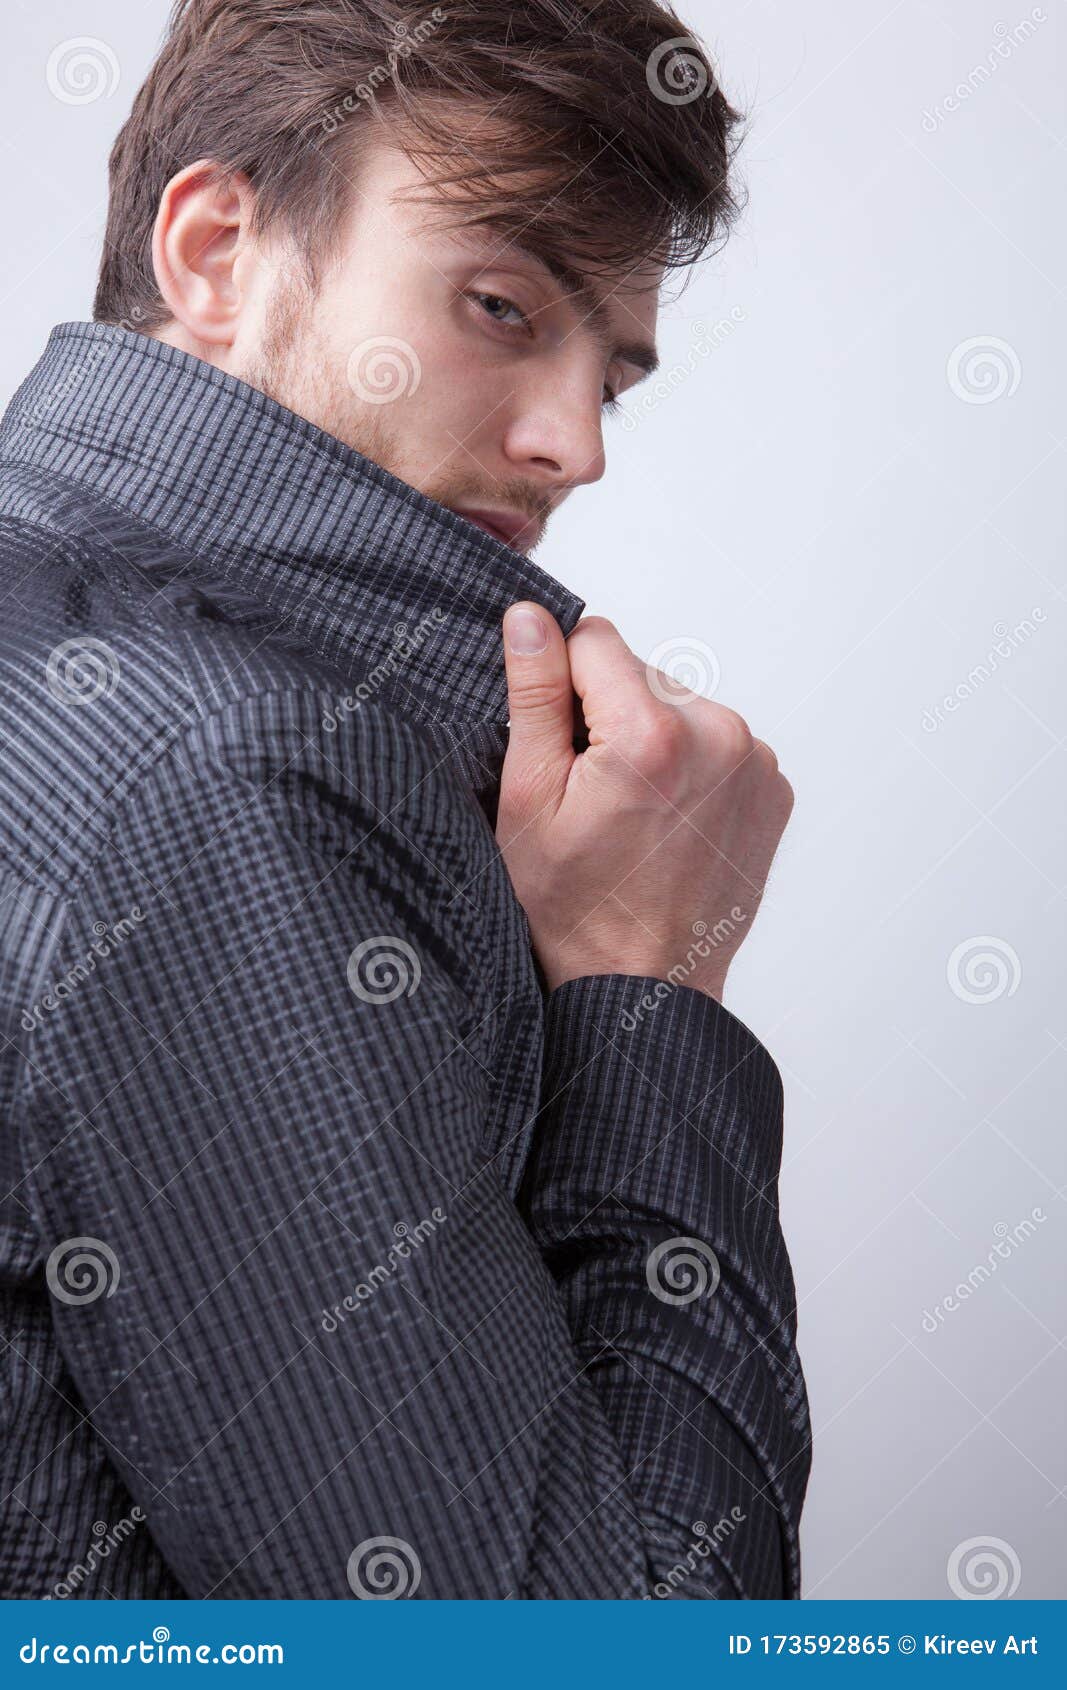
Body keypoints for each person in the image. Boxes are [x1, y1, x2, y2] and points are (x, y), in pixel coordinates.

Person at [0, 0, 809, 1598]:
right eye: (502, 305)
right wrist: (647, 985)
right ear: (217, 248)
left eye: (615, 379)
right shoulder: (224, 781)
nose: (573, 447)